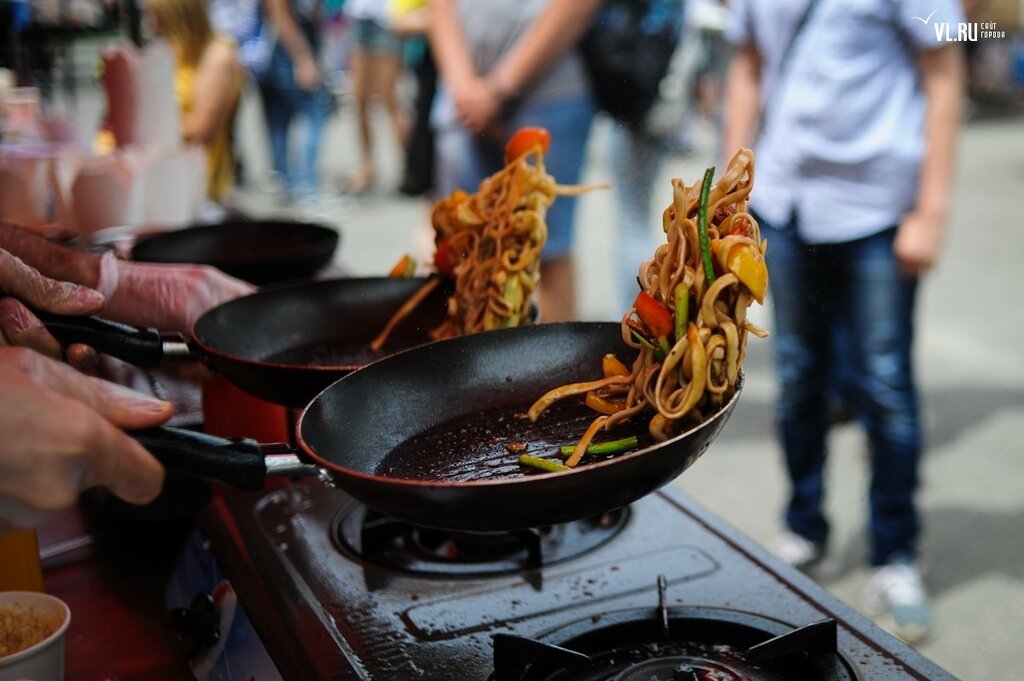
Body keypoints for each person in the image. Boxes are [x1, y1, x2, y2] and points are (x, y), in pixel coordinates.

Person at [722, 0, 965, 643]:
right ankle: (803, 529)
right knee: (800, 378)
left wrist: (931, 211)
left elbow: (945, 70)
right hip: (783, 201)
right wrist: (732, 187)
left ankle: (895, 554)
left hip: (878, 211)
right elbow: (747, 65)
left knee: (883, 385)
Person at [429, 0, 602, 323]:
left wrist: (498, 88)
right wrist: (462, 85)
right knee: (463, 248)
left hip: (551, 92)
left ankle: (557, 370)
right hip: (460, 95)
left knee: (549, 249)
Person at [146, 0, 246, 201]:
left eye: (159, 16)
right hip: (167, 170)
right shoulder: (175, 48)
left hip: (198, 178)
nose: (153, 24)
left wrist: (145, 126)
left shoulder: (217, 56)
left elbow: (200, 129)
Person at [258, 0, 332, 200]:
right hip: (284, 52)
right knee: (313, 112)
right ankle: (304, 185)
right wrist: (303, 58)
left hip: (273, 52)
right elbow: (277, 11)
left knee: (278, 119)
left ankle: (285, 182)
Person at [343, 0, 408, 194]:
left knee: (390, 99)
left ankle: (411, 167)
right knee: (359, 99)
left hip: (387, 17)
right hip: (360, 16)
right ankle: (367, 167)